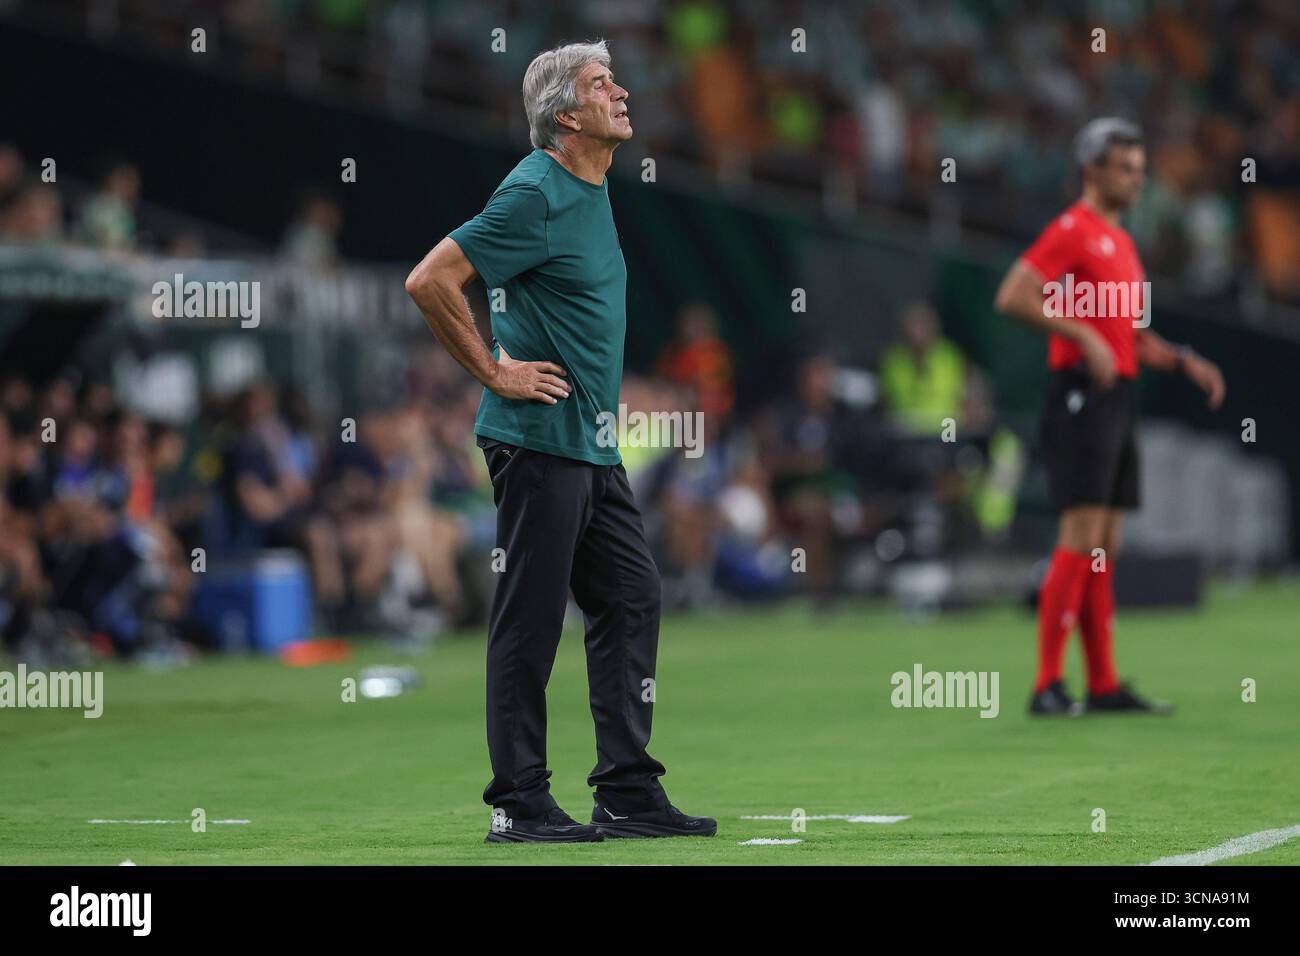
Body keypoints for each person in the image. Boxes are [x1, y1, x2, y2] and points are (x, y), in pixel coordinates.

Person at [405, 40, 716, 844]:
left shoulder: (591, 184)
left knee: (632, 596)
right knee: (530, 621)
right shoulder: (536, 188)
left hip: (591, 445)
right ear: (566, 115)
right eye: (600, 84)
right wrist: (494, 373)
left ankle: (625, 788)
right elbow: (430, 279)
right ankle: (518, 801)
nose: (621, 92)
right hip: (537, 440)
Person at [994, 118, 1226, 717]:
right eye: (1124, 168)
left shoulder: (1122, 243)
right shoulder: (1072, 230)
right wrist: (1084, 337)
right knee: (1081, 536)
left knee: (1107, 545)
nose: (1136, 179)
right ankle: (1047, 684)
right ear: (1091, 170)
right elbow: (1014, 295)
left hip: (1116, 397)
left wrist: (1181, 360)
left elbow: (1132, 334)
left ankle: (1102, 683)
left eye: (1140, 170)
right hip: (1079, 395)